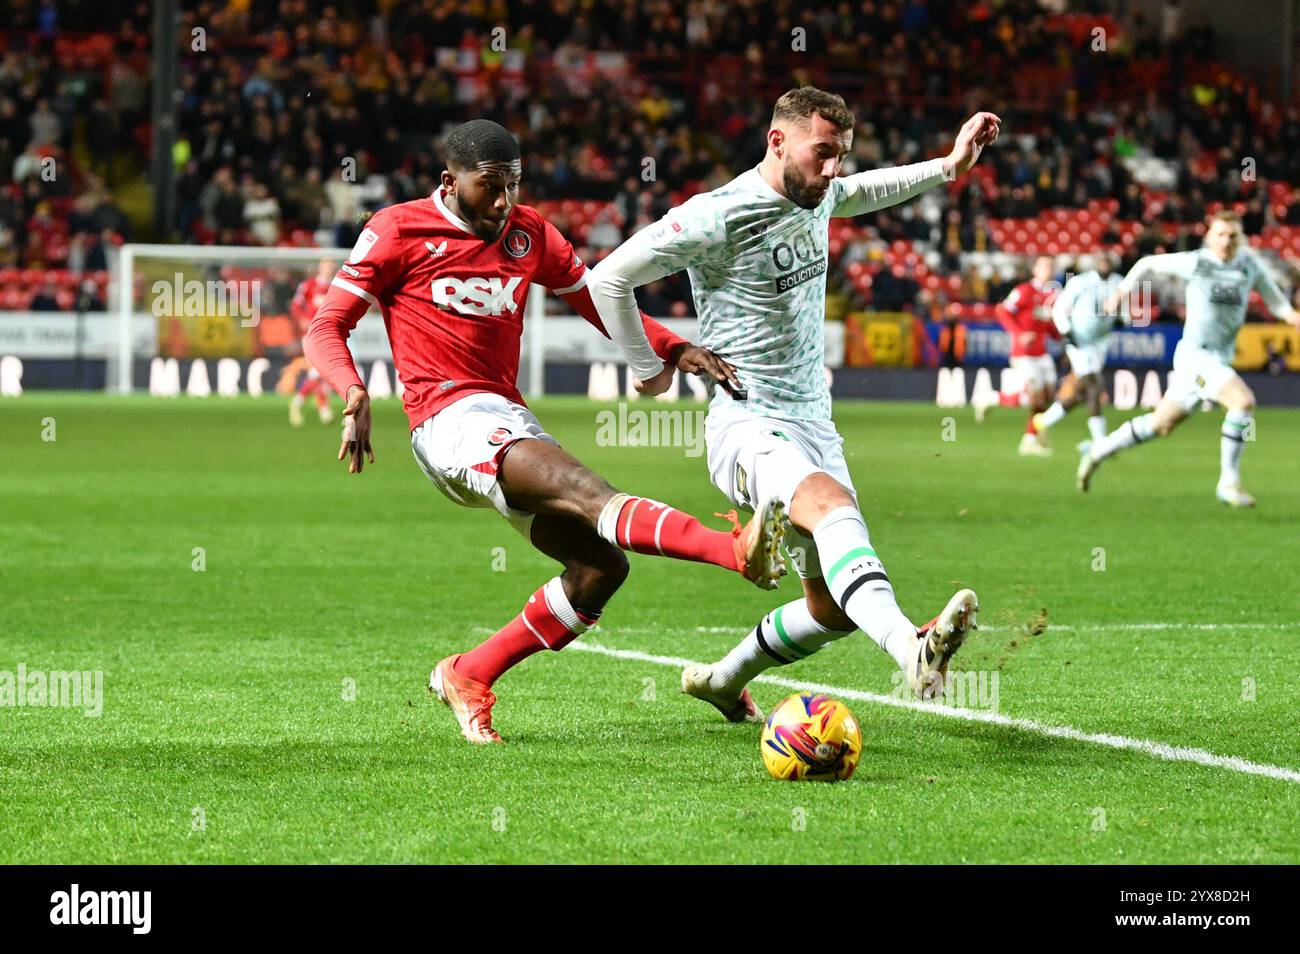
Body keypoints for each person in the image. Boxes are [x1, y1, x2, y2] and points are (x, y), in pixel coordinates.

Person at [305, 120, 787, 743]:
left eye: (513, 185)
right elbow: (326, 326)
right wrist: (352, 389)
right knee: (586, 488)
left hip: (506, 414)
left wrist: (673, 347)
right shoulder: (397, 230)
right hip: (446, 422)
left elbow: (595, 299)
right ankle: (733, 552)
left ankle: (469, 674)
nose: (504, 202)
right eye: (490, 188)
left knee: (599, 568)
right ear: (450, 182)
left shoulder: (527, 231)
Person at [586, 88, 997, 715]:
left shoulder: (821, 190)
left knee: (830, 610)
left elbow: (866, 191)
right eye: (823, 153)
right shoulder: (716, 214)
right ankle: (911, 649)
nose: (833, 170)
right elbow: (607, 278)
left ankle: (723, 681)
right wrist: (650, 367)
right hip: (747, 422)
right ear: (777, 142)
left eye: (842, 156)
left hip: (814, 423)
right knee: (830, 508)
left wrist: (949, 166)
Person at [1078, 211, 1299, 507]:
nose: (1226, 241)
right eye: (1220, 234)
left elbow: (1278, 304)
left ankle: (1098, 451)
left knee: (1161, 424)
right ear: (1210, 236)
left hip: (1217, 358)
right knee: (1242, 402)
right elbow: (1146, 263)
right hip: (1197, 354)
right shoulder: (1198, 262)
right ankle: (1228, 482)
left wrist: (1293, 317)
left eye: (1232, 235)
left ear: (1241, 237)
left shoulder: (1249, 266)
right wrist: (1121, 293)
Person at [1032, 253, 1124, 446]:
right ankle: (1100, 441)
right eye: (1102, 261)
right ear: (1096, 264)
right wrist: (1067, 331)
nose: (1105, 265)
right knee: (1093, 383)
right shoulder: (1081, 282)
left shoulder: (1119, 283)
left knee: (1081, 391)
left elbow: (1123, 311)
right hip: (1079, 341)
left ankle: (1043, 421)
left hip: (1100, 343)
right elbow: (1059, 308)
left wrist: (1122, 318)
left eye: (1108, 262)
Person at [992, 255, 1061, 456]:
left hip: (1042, 354)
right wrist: (1019, 333)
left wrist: (1061, 335)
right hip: (1024, 355)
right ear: (1035, 270)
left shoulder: (1052, 295)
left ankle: (1030, 438)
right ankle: (1029, 439)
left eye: (1051, 266)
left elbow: (1047, 324)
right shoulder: (1024, 291)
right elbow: (1002, 311)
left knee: (1048, 397)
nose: (1048, 269)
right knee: (1036, 398)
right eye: (1044, 266)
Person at [288, 258, 338, 426]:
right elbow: (295, 305)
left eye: (331, 265)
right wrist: (302, 318)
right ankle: (320, 409)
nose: (329, 267)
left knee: (318, 373)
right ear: (320, 267)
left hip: (329, 334)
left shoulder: (336, 287)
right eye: (326, 264)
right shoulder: (309, 285)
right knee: (318, 371)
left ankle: (303, 404)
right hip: (310, 334)